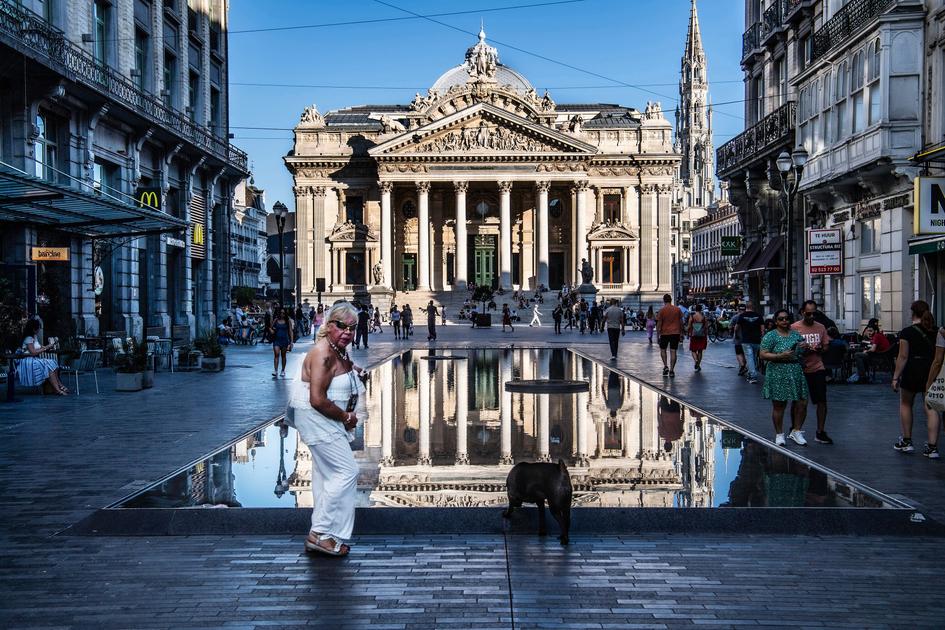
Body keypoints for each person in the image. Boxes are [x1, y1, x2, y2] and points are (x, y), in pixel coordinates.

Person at [290, 301, 365, 557]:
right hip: (318, 420)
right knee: (347, 472)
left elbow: (339, 368)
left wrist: (354, 371)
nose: (347, 332)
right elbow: (317, 399)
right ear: (328, 324)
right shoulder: (322, 353)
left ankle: (327, 535)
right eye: (341, 326)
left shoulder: (338, 350)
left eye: (352, 328)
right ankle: (319, 532)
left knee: (326, 477)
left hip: (326, 421)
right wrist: (346, 417)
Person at [892, 300, 940, 457]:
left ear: (913, 313)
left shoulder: (907, 332)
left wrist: (895, 377)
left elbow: (903, 356)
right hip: (932, 370)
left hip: (913, 369)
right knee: (931, 407)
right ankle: (932, 447)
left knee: (906, 404)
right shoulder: (938, 331)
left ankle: (907, 441)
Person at [759, 309, 809, 446]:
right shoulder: (770, 336)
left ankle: (796, 431)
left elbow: (801, 352)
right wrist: (779, 356)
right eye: (781, 319)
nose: (784, 321)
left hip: (795, 370)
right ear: (776, 321)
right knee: (779, 404)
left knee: (802, 402)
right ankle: (779, 434)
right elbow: (763, 354)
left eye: (787, 318)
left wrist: (805, 347)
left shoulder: (796, 335)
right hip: (778, 371)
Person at [791, 300, 832, 445]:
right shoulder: (794, 328)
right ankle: (795, 429)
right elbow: (789, 348)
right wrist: (801, 349)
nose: (811, 316)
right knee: (800, 401)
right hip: (800, 369)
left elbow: (826, 346)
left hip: (817, 367)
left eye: (814, 313)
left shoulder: (821, 327)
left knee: (821, 401)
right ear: (802, 312)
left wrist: (820, 348)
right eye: (808, 313)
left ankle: (820, 432)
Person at [16, 320, 68, 394]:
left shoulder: (35, 337)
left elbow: (41, 347)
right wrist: (44, 348)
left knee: (53, 362)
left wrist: (49, 345)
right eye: (38, 328)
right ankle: (57, 389)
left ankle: (59, 385)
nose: (39, 330)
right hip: (28, 360)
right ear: (34, 329)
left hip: (34, 359)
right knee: (48, 365)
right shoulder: (28, 338)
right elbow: (33, 352)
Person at [734, 301, 764, 385]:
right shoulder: (759, 316)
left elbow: (736, 328)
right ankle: (751, 374)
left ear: (746, 307)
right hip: (756, 340)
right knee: (753, 357)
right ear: (753, 307)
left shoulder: (742, 316)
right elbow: (762, 329)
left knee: (750, 357)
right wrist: (762, 337)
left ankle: (753, 376)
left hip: (746, 340)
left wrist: (736, 335)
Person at [656, 294, 683, 378]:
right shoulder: (677, 309)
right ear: (671, 300)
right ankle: (672, 370)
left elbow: (659, 324)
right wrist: (682, 333)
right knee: (673, 351)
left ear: (664, 300)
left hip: (664, 333)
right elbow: (681, 322)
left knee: (663, 350)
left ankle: (665, 366)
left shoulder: (662, 310)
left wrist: (657, 335)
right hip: (675, 333)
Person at [271, 307, 294, 378]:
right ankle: (275, 370)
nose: (282, 314)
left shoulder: (288, 321)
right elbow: (271, 327)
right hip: (276, 340)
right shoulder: (276, 320)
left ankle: (283, 370)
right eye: (281, 313)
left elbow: (290, 331)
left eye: (283, 313)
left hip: (284, 340)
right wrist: (272, 329)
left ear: (285, 314)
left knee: (283, 356)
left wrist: (291, 342)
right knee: (276, 354)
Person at [687, 304, 708, 371]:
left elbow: (689, 326)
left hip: (694, 335)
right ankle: (698, 364)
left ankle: (696, 360)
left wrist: (687, 333)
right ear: (701, 309)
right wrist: (706, 335)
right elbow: (706, 327)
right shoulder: (704, 317)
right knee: (700, 351)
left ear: (695, 309)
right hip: (702, 335)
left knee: (693, 350)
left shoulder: (692, 317)